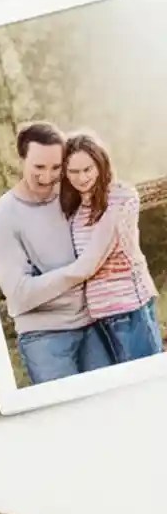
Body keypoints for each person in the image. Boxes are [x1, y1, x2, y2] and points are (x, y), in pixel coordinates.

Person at [0, 122, 111, 384]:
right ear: (21, 158)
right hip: (44, 335)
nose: (49, 176)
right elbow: (20, 293)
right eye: (38, 167)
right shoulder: (1, 218)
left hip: (92, 324)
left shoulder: (72, 195)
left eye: (56, 167)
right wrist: (78, 271)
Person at [61, 132, 163, 363]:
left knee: (146, 381)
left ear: (100, 164)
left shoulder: (121, 197)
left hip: (129, 308)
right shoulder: (74, 211)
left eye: (88, 169)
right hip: (98, 316)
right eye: (73, 172)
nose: (81, 178)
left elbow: (92, 260)